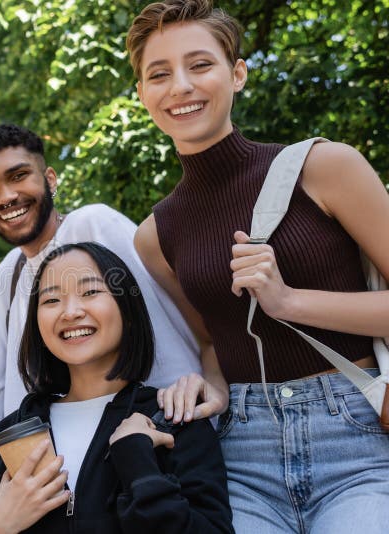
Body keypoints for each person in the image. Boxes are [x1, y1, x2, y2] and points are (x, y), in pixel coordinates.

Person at [127, 1, 389, 532]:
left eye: (200, 65)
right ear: (142, 94)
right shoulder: (154, 236)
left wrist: (289, 300)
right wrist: (215, 388)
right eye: (159, 73)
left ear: (237, 74)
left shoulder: (324, 167)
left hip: (357, 436)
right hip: (242, 455)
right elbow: (211, 342)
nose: (180, 86)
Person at [0, 124, 201, 533]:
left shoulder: (94, 227)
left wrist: (185, 431)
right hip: (39, 484)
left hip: (134, 461)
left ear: (50, 179)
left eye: (18, 176)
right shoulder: (9, 274)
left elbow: (164, 330)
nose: (5, 197)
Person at [0, 242, 232, 533]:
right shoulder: (6, 437)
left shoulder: (173, 422)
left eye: (91, 292)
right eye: (51, 300)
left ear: (128, 310)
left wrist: (137, 462)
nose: (70, 312)